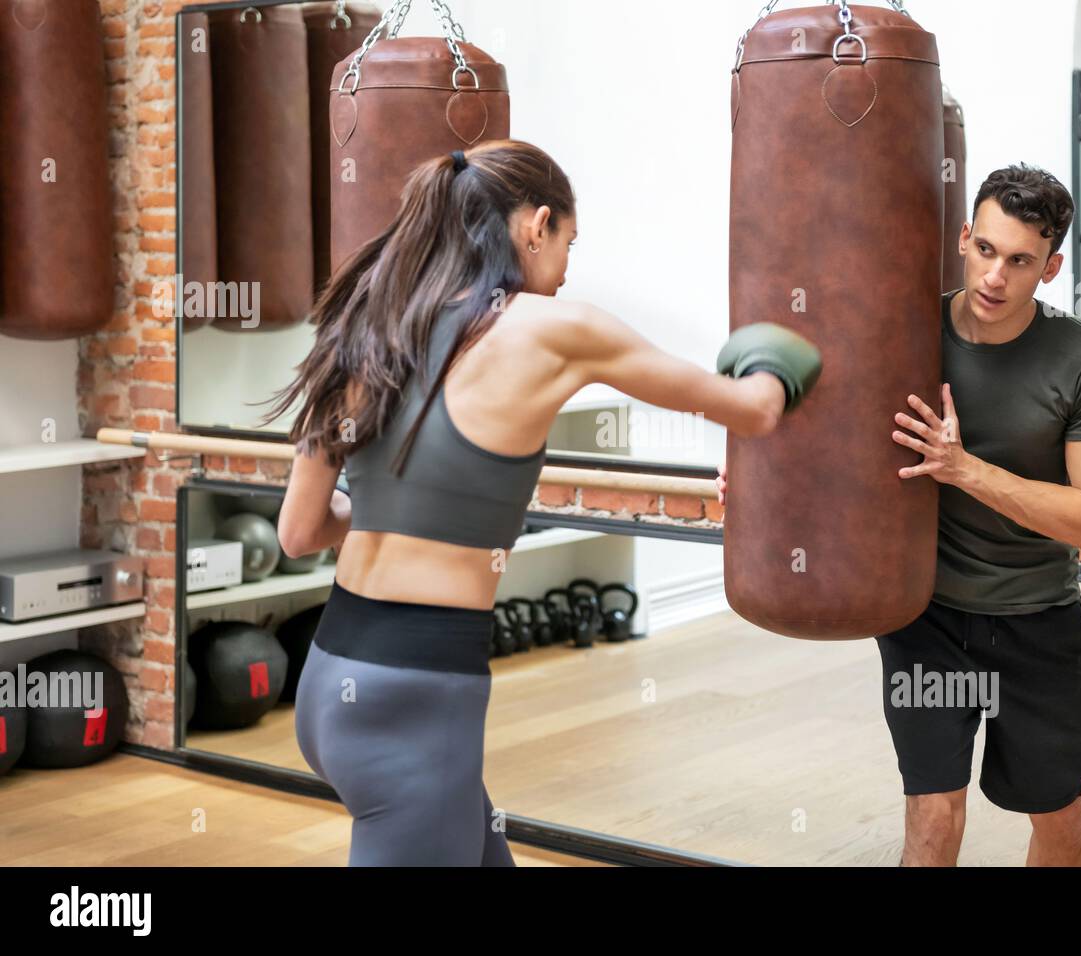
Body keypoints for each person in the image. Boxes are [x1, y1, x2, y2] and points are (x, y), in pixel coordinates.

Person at [265, 140, 821, 866]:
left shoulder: (370, 324)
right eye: (568, 242)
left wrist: (399, 508)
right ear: (536, 224)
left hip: (332, 679)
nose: (567, 267)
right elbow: (750, 411)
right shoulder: (556, 329)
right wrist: (778, 360)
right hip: (416, 702)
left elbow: (300, 532)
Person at [719, 164, 1081, 866]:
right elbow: (825, 428)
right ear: (964, 237)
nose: (995, 277)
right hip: (927, 616)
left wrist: (965, 469)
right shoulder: (903, 333)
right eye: (984, 250)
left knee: (1057, 820)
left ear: (1051, 267)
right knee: (932, 814)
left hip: (1037, 621)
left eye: (1020, 261)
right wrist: (761, 471)